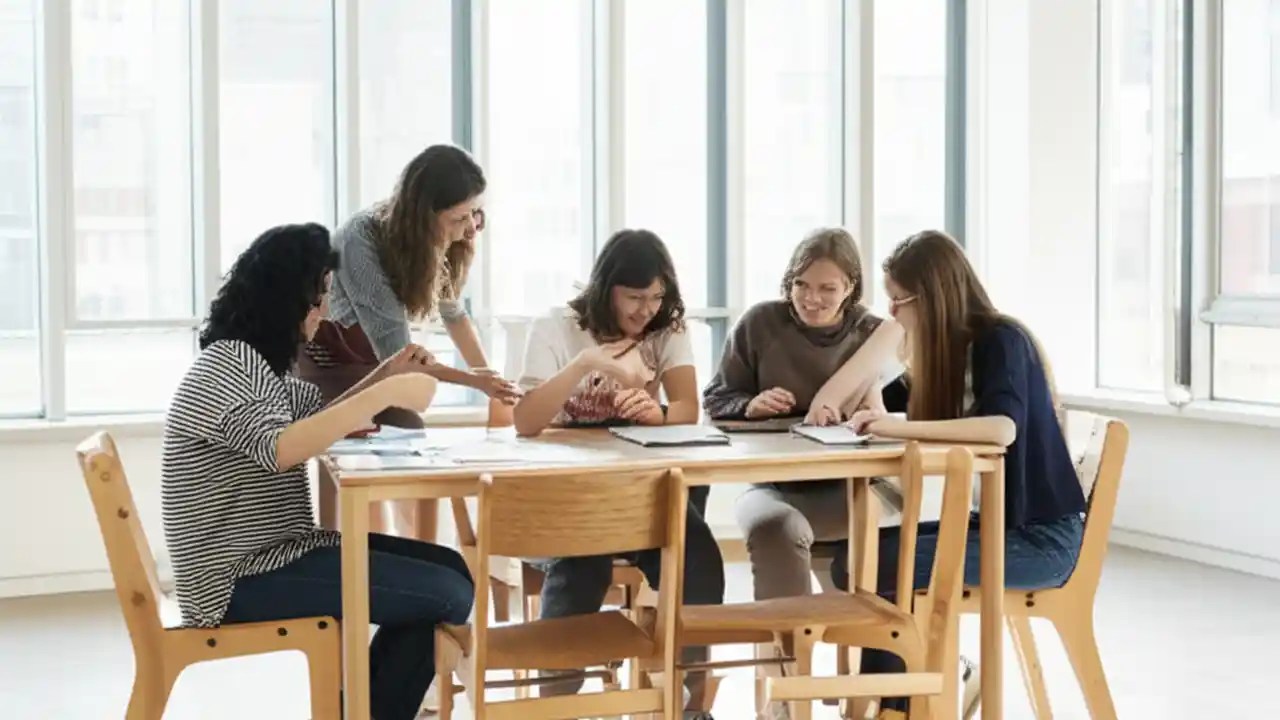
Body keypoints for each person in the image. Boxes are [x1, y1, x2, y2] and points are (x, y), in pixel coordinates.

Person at [161, 223, 475, 720]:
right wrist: (386, 393)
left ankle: (363, 712)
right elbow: (280, 448)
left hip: (277, 552)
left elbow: (322, 415)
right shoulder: (228, 367)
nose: (324, 311)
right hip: (236, 577)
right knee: (447, 592)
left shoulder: (258, 366)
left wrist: (386, 374)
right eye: (319, 297)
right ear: (287, 301)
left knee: (453, 573)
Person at [837, 230, 1085, 719]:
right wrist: (870, 406)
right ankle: (937, 679)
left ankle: (893, 708)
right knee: (857, 561)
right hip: (992, 525)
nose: (893, 315)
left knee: (892, 566)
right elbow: (893, 409)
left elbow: (1001, 428)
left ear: (931, 297)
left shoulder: (1002, 341)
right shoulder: (948, 354)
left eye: (899, 301)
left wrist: (888, 423)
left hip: (1041, 540)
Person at [513, 229, 724, 719]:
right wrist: (586, 362)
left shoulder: (667, 329)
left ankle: (691, 707)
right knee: (580, 567)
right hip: (563, 503)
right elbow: (525, 421)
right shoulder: (555, 327)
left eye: (655, 298)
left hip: (638, 501)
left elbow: (688, 408)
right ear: (605, 287)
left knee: (699, 560)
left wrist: (657, 413)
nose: (645, 311)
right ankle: (557, 709)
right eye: (634, 297)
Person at [703, 228, 903, 605]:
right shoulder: (759, 323)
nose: (811, 299)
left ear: (850, 286)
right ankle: (785, 658)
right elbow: (715, 398)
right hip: (772, 485)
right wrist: (750, 405)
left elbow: (886, 413)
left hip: (851, 486)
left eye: (827, 288)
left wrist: (869, 413)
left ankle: (870, 649)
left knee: (882, 531)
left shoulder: (873, 333)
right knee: (774, 527)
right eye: (801, 285)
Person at [299, 144, 520, 428]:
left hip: (383, 365)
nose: (470, 229)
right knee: (403, 425)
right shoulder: (359, 241)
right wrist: (476, 382)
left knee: (407, 426)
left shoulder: (442, 241)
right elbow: (399, 354)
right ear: (424, 218)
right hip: (332, 369)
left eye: (476, 213)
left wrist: (493, 384)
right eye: (459, 218)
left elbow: (454, 315)